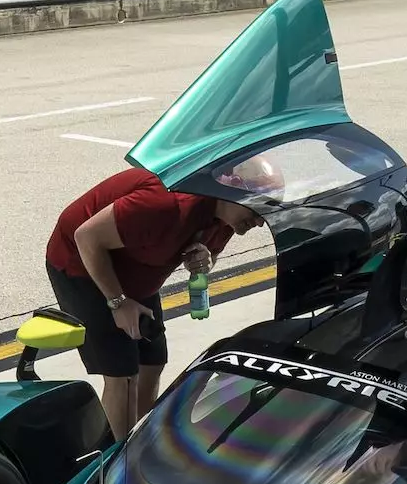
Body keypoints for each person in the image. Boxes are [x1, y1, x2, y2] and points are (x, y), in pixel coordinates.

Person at [44, 166, 260, 439]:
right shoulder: (167, 203)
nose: (260, 221)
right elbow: (85, 237)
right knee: (123, 375)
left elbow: (209, 256)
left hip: (137, 269)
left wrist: (205, 259)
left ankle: (141, 439)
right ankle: (118, 459)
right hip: (83, 264)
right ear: (232, 187)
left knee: (152, 361)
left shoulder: (227, 218)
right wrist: (119, 303)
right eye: (257, 209)